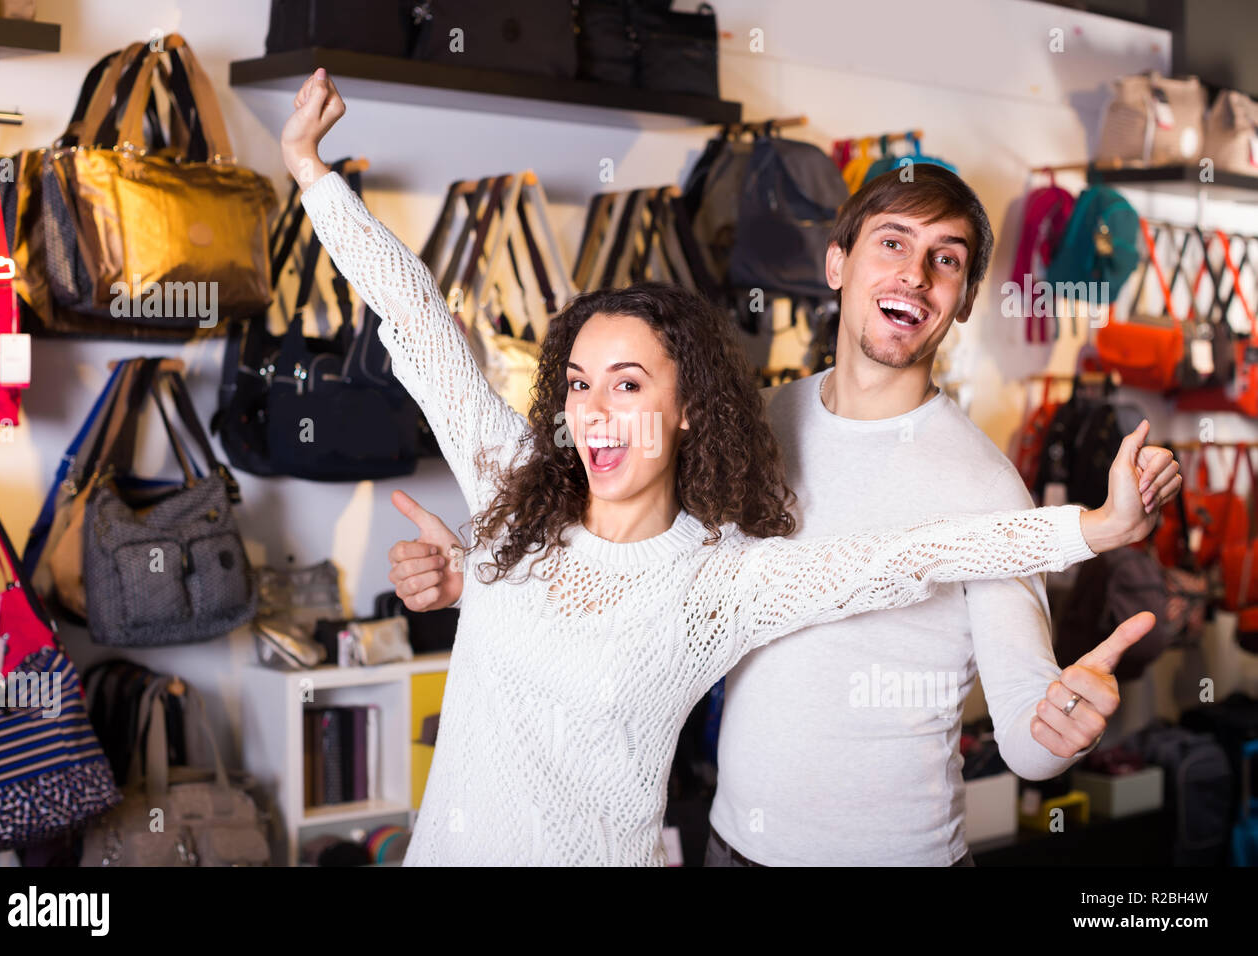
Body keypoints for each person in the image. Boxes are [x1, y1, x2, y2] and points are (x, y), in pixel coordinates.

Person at [283, 68, 1181, 866]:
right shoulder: (757, 426)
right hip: (732, 843)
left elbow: (914, 555)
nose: (598, 409)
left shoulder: (754, 566)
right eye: (892, 244)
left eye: (943, 260)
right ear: (838, 264)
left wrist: (1090, 539)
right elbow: (422, 326)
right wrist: (484, 568)